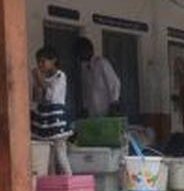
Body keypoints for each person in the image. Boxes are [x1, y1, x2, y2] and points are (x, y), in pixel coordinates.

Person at [30, 46, 73, 175]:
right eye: (38, 62)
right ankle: (52, 185)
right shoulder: (43, 79)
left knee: (60, 153)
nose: (40, 65)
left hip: (56, 117)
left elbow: (51, 96)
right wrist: (37, 84)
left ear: (53, 60)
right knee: (49, 156)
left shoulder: (60, 76)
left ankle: (69, 180)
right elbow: (37, 99)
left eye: (43, 61)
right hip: (45, 118)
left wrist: (39, 79)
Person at [76, 37, 121, 118]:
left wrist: (114, 104)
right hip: (93, 114)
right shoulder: (86, 70)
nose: (78, 56)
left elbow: (114, 83)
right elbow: (87, 93)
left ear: (87, 50)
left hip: (107, 113)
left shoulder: (102, 64)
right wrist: (85, 109)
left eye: (79, 52)